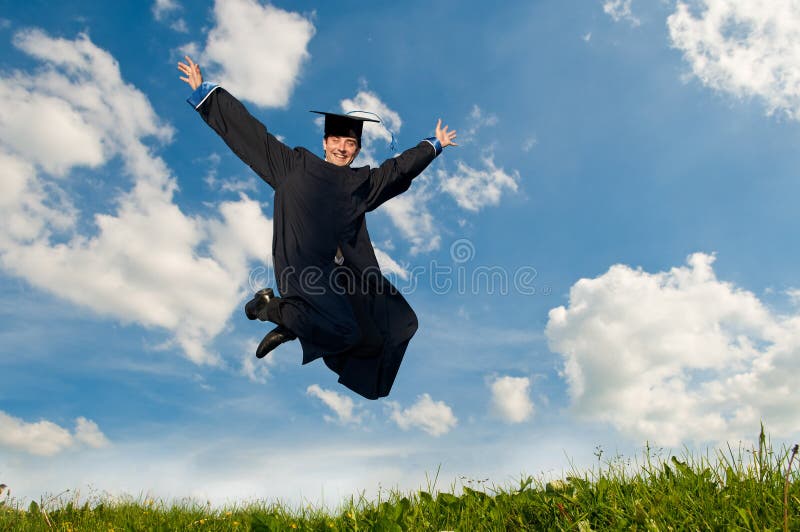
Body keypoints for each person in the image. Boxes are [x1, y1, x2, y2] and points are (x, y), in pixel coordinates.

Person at [178, 56, 457, 399]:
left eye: (350, 143)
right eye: (337, 140)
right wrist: (208, 94)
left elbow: (398, 170)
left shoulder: (362, 182)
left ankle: (274, 311)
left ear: (357, 149)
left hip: (336, 276)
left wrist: (433, 145)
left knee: (375, 331)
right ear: (325, 142)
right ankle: (280, 313)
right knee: (340, 327)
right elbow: (250, 135)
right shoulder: (293, 166)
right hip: (300, 266)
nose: (342, 148)